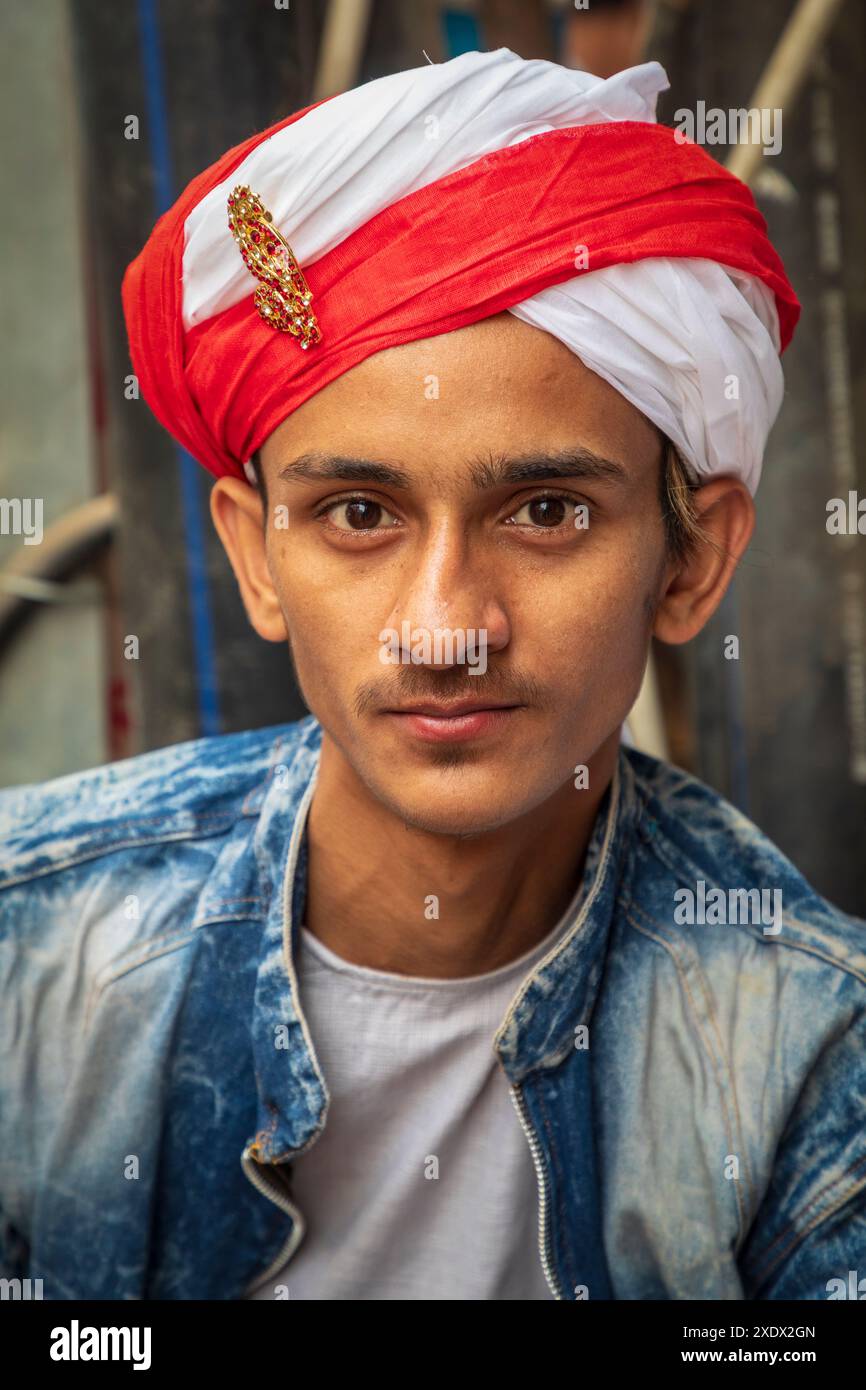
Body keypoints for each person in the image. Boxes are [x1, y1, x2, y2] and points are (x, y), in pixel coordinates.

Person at [1, 47, 863, 1302]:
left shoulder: (807, 1056)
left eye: (546, 511)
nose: (445, 626)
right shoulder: (29, 949)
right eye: (357, 511)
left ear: (689, 562)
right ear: (256, 556)